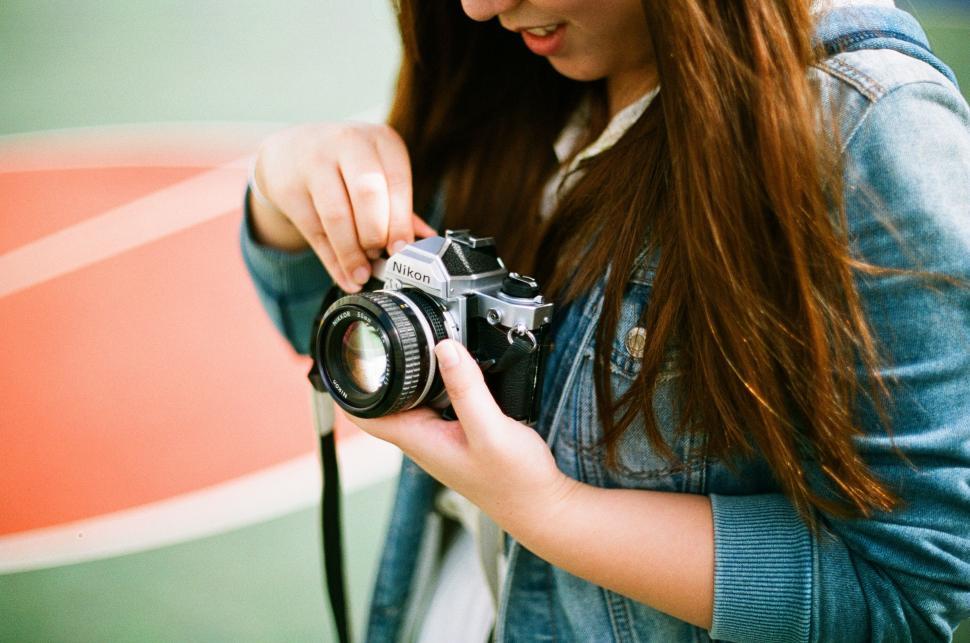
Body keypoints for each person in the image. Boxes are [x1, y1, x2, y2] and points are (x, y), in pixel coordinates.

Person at [241, 0, 970, 640]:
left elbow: (903, 585)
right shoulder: (512, 69)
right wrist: (282, 184)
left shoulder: (868, 126)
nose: (476, 7)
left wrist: (554, 512)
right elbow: (343, 336)